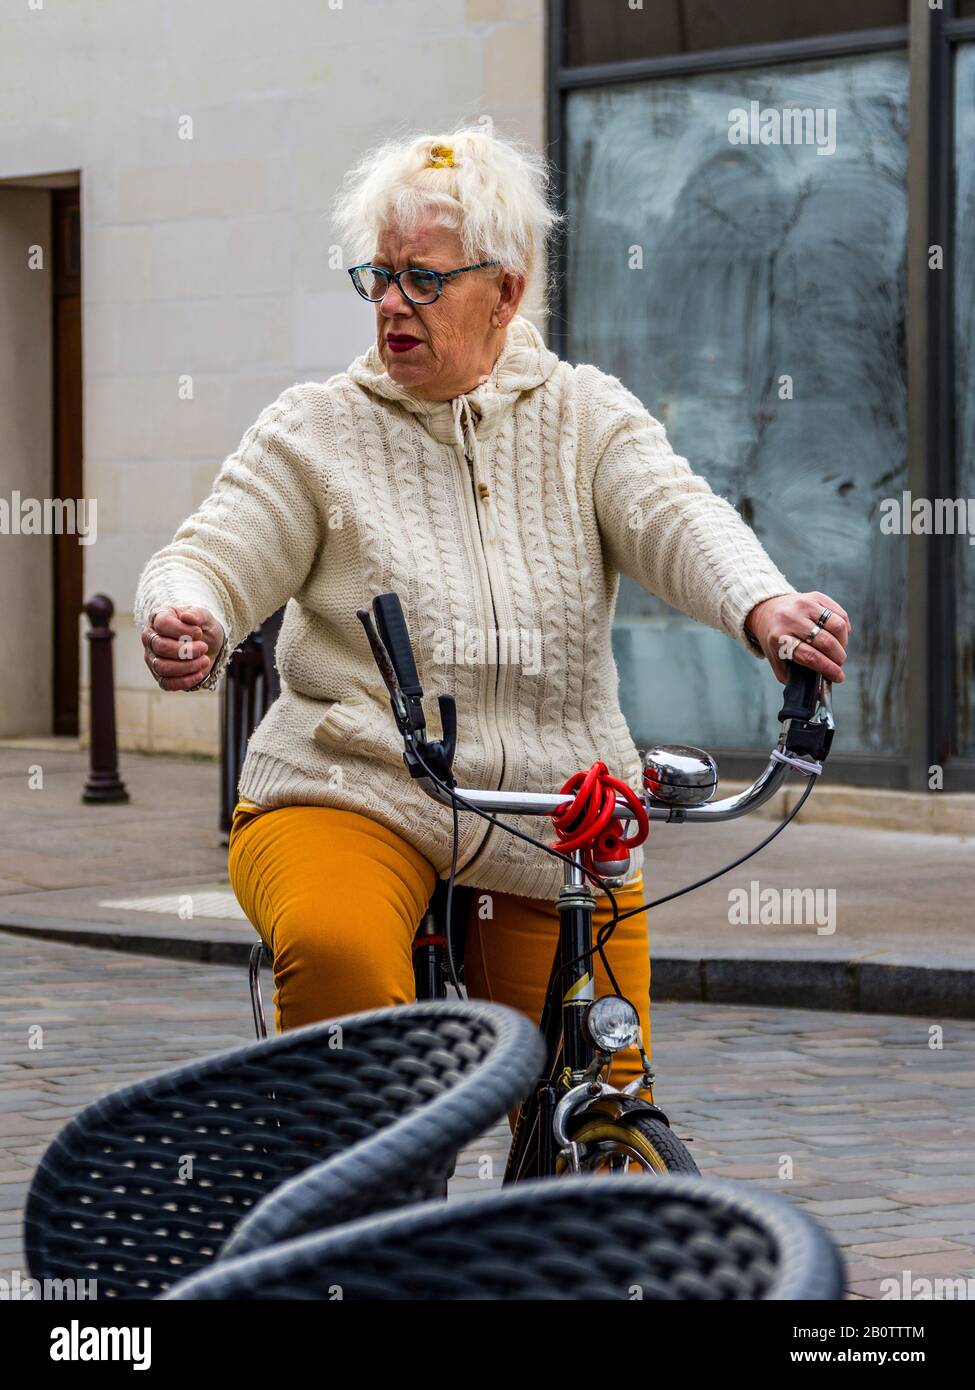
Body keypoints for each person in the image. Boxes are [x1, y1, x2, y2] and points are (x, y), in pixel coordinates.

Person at [135, 127, 851, 1091]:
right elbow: (212, 552)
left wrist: (765, 606)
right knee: (340, 965)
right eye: (378, 277)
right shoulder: (316, 430)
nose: (392, 303)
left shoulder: (586, 416)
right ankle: (356, 1225)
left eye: (423, 280)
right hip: (353, 790)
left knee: (602, 1084)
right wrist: (189, 614)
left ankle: (587, 1219)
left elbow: (676, 516)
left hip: (552, 810)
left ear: (504, 292)